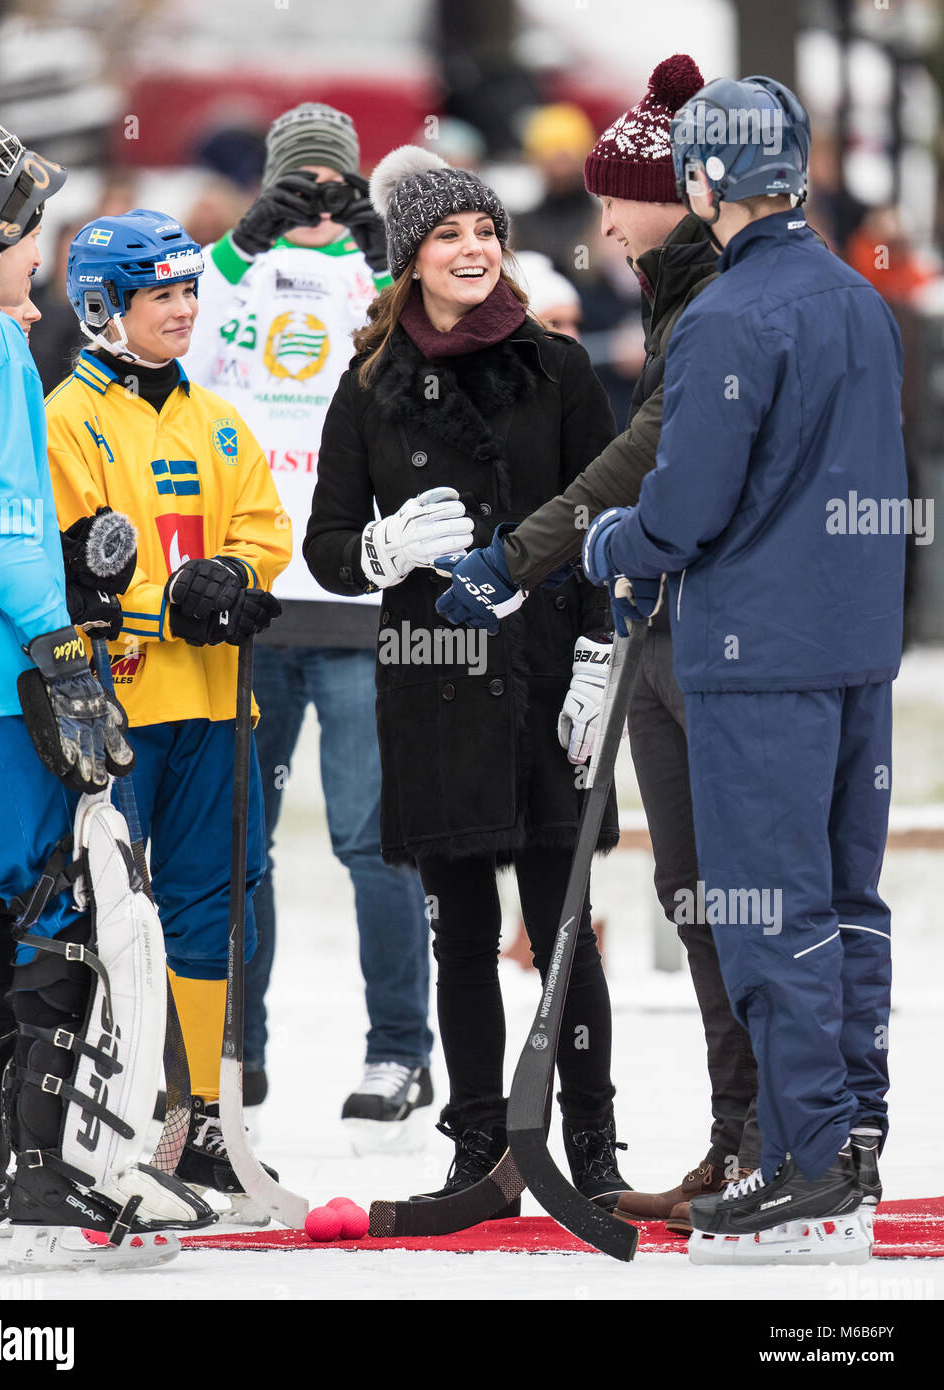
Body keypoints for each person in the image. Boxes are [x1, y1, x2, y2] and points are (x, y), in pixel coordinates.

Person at [435, 55, 763, 1233]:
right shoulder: (686, 288)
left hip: (732, 634)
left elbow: (651, 460)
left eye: (618, 200)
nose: (604, 225)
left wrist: (535, 552)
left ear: (674, 192)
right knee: (693, 889)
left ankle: (774, 1132)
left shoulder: (722, 293)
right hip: (682, 617)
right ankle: (742, 1133)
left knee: (740, 891)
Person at [582, 75, 902, 1264]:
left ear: (702, 181)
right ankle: (852, 1130)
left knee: (766, 909)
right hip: (852, 647)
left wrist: (612, 542)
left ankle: (805, 1157)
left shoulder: (726, 314)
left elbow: (684, 508)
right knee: (842, 901)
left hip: (752, 654)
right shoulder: (858, 301)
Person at [304, 145, 632, 1212]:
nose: (475, 248)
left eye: (485, 230)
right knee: (458, 933)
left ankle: (591, 1139)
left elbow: (599, 521)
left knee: (562, 929)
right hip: (432, 680)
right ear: (410, 260)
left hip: (545, 683)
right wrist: (379, 551)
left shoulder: (559, 369)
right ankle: (479, 1144)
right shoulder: (367, 387)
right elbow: (325, 543)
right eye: (449, 234)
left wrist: (595, 653)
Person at [0, 117, 214, 1271]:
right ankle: (56, 1184)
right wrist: (60, 649)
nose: (34, 254)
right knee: (71, 918)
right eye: (27, 230)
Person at [185, 103, 435, 1146]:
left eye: (337, 183)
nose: (320, 200)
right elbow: (177, 344)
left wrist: (379, 254)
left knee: (372, 840)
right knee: (240, 845)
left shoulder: (378, 280)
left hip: (360, 594)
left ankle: (398, 1049)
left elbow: (427, 359)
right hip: (251, 599)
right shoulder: (223, 272)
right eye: (303, 184)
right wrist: (245, 242)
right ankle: (239, 1044)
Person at [44, 208, 293, 1219]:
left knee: (208, 903)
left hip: (212, 703)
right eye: (163, 296)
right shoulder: (67, 417)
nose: (185, 310)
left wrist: (232, 573)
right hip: (114, 705)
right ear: (105, 308)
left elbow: (265, 525)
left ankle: (199, 1122)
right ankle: (99, 1122)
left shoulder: (217, 416)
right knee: (112, 915)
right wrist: (164, 601)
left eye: (192, 292)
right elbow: (77, 562)